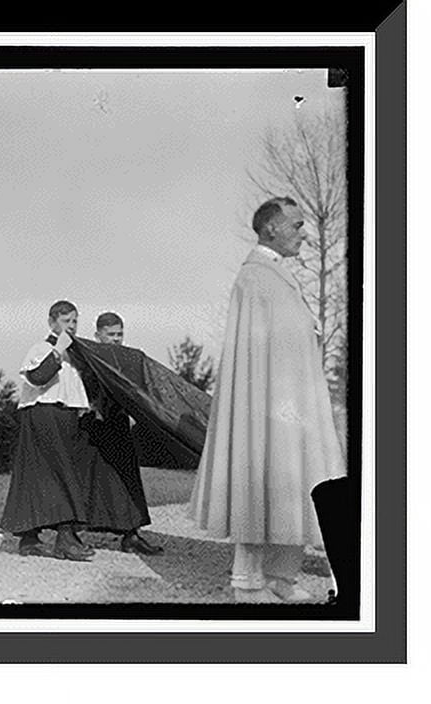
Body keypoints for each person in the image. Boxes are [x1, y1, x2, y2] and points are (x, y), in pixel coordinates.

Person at [188, 197, 346, 603]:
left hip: (292, 404)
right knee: (259, 482)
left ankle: (281, 576)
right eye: (297, 225)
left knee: (297, 483)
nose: (304, 233)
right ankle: (248, 582)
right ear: (271, 228)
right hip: (268, 406)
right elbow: (254, 358)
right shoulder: (255, 278)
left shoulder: (278, 276)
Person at [0, 300, 94, 561]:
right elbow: (37, 378)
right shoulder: (42, 347)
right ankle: (64, 538)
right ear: (52, 323)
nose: (72, 326)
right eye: (66, 321)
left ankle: (31, 539)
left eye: (75, 321)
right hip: (43, 414)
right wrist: (56, 351)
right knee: (59, 472)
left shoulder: (74, 354)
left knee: (44, 474)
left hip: (64, 415)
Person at [77, 311, 163, 555]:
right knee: (86, 479)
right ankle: (74, 535)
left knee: (127, 479)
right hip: (92, 426)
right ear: (98, 335)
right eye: (110, 334)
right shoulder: (87, 356)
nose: (116, 339)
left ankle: (131, 534)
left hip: (117, 424)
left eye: (119, 334)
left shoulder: (127, 359)